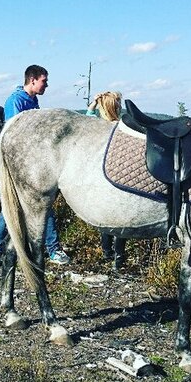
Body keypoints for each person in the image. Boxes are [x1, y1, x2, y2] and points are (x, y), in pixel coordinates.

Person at [0, 65, 71, 267]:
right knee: (13, 205)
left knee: (42, 205)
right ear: (32, 80)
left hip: (34, 163)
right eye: (44, 81)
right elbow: (16, 134)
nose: (46, 85)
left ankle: (51, 248)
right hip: (20, 164)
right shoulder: (16, 101)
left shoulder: (32, 100)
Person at [86, 91, 127, 266]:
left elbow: (88, 116)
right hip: (117, 175)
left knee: (106, 218)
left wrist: (94, 103)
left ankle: (107, 252)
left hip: (99, 177)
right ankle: (118, 255)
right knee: (121, 219)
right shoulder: (121, 127)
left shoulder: (95, 125)